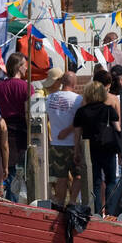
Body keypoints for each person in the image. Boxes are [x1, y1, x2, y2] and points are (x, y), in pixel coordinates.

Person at [73, 79, 120, 214]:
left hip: (90, 151)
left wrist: (76, 152)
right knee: (111, 180)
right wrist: (121, 149)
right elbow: (117, 129)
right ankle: (111, 211)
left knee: (96, 182)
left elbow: (77, 135)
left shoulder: (81, 112)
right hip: (108, 148)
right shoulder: (108, 109)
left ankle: (98, 212)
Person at [46, 70, 83, 204]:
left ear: (62, 82)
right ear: (74, 83)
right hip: (74, 144)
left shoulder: (49, 98)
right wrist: (68, 130)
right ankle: (72, 201)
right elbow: (80, 121)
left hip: (56, 143)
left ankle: (60, 203)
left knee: (60, 177)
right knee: (78, 175)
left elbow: (47, 119)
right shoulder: (78, 99)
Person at [0, 53, 31, 183]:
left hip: (4, 127)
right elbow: (28, 113)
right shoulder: (26, 86)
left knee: (8, 167)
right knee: (22, 168)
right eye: (25, 65)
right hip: (21, 128)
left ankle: (11, 198)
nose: (27, 68)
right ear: (19, 67)